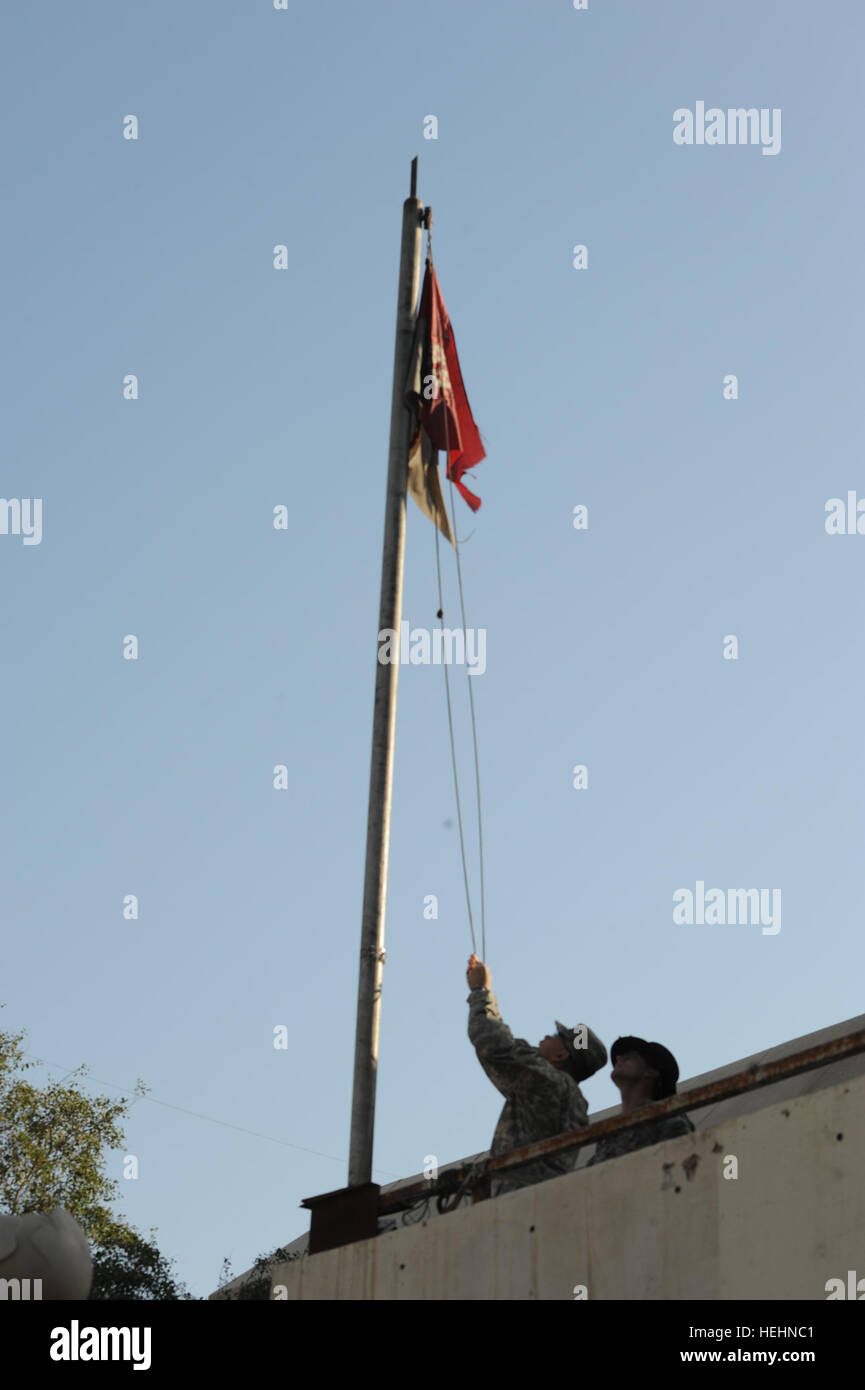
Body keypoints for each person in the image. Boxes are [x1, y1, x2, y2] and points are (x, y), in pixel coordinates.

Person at [466, 953, 607, 1196]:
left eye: (555, 1035)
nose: (546, 1036)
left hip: (520, 1198)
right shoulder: (561, 1090)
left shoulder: (549, 1082)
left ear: (561, 1056)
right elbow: (506, 1051)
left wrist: (481, 990)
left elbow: (494, 1044)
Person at [585, 1035, 694, 1166]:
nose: (618, 1058)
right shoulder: (608, 1134)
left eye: (628, 1057)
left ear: (651, 1072)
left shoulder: (666, 1116)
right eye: (619, 1057)